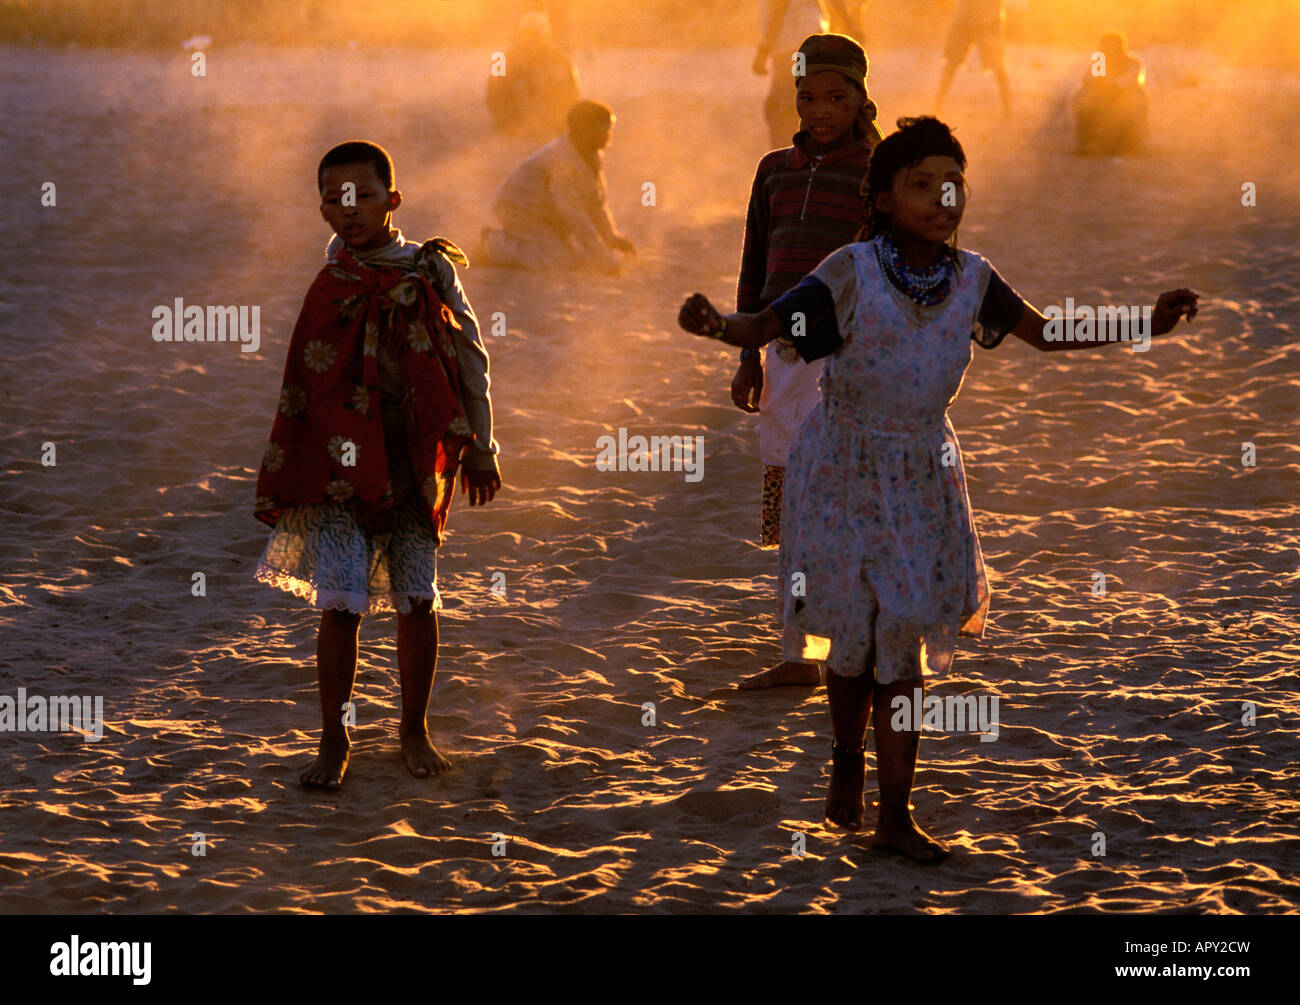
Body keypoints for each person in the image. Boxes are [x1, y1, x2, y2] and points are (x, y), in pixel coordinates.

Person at [679, 116, 1199, 861]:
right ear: (883, 197)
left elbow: (1047, 332)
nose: (940, 197)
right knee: (852, 638)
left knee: (908, 637)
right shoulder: (850, 268)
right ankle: (848, 761)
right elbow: (771, 320)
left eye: (951, 183)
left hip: (924, 474)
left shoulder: (974, 278)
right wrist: (722, 329)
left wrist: (1144, 321)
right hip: (841, 467)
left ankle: (895, 813)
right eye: (920, 183)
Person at [254, 140, 503, 790]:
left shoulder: (428, 270)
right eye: (338, 199)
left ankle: (413, 727)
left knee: (417, 601)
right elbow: (311, 374)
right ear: (322, 211)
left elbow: (469, 355)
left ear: (393, 200)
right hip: (343, 476)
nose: (352, 207)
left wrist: (482, 443)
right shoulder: (334, 274)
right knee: (340, 606)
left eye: (365, 195)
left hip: (414, 467)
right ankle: (333, 740)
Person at [733, 32, 883, 689]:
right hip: (781, 357)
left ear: (860, 97)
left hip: (846, 359)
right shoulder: (773, 170)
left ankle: (854, 642)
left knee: (842, 504)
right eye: (806, 96)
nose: (819, 109)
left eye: (835, 96)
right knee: (794, 506)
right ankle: (799, 654)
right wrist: (747, 357)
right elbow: (753, 270)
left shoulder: (880, 173)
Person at [480, 100, 636, 273]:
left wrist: (611, 236)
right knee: (559, 261)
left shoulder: (593, 154)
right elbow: (575, 215)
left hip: (545, 210)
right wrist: (605, 259)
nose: (609, 135)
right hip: (517, 208)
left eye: (610, 128)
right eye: (603, 129)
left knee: (571, 254)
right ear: (585, 131)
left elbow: (596, 202)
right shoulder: (562, 161)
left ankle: (528, 240)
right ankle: (492, 244)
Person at [485, 11, 581, 138]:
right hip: (514, 123)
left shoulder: (560, 60)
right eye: (526, 34)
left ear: (545, 36)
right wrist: (504, 120)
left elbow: (572, 94)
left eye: (534, 35)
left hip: (550, 124)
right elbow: (494, 93)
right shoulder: (502, 58)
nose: (529, 40)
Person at [754, 0, 829, 149]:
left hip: (792, 46)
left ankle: (789, 153)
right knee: (792, 101)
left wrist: (764, 49)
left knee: (786, 104)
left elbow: (779, 7)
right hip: (804, 42)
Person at [1072, 31, 1149, 155]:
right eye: (1105, 46)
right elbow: (1090, 78)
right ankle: (1088, 141)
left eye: (1112, 46)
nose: (1108, 50)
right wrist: (1103, 87)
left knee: (1137, 98)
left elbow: (1132, 79)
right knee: (1083, 98)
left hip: (1123, 94)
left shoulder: (1131, 62)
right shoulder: (1101, 61)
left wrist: (1114, 86)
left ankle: (1134, 141)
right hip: (1101, 93)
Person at [934, 0, 1011, 117]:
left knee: (998, 65)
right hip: (966, 19)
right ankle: (936, 107)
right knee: (951, 64)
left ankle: (1007, 109)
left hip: (987, 21)